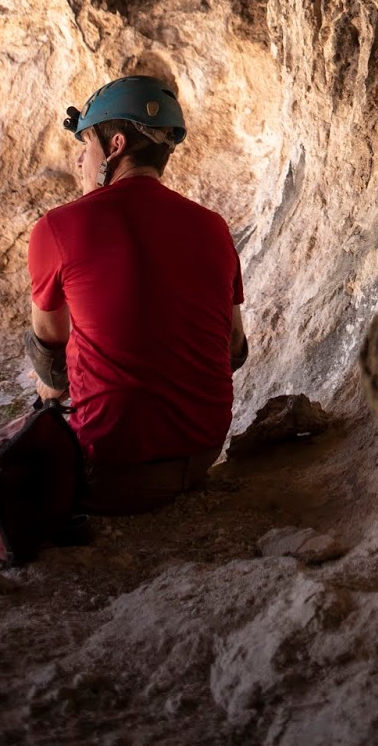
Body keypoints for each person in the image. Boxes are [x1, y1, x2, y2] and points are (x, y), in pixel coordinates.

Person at [25, 76, 248, 514]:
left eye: (86, 144)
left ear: (115, 145)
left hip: (112, 471)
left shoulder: (58, 226)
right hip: (203, 453)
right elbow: (234, 350)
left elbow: (51, 365)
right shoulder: (213, 227)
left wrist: (45, 419)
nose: (79, 159)